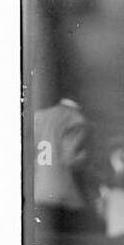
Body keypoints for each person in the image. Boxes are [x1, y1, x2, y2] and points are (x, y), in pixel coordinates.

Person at [33, 94, 104, 234]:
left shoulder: (38, 117)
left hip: (38, 193)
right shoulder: (77, 119)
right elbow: (70, 158)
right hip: (64, 197)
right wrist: (87, 158)